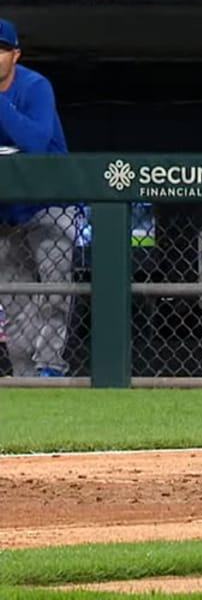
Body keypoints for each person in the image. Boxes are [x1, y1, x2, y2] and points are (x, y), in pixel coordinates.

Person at [0, 19, 75, 378]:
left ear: (15, 54)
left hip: (51, 202)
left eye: (0, 50)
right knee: (14, 300)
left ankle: (49, 368)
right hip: (8, 211)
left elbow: (34, 143)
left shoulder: (34, 86)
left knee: (54, 289)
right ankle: (23, 375)